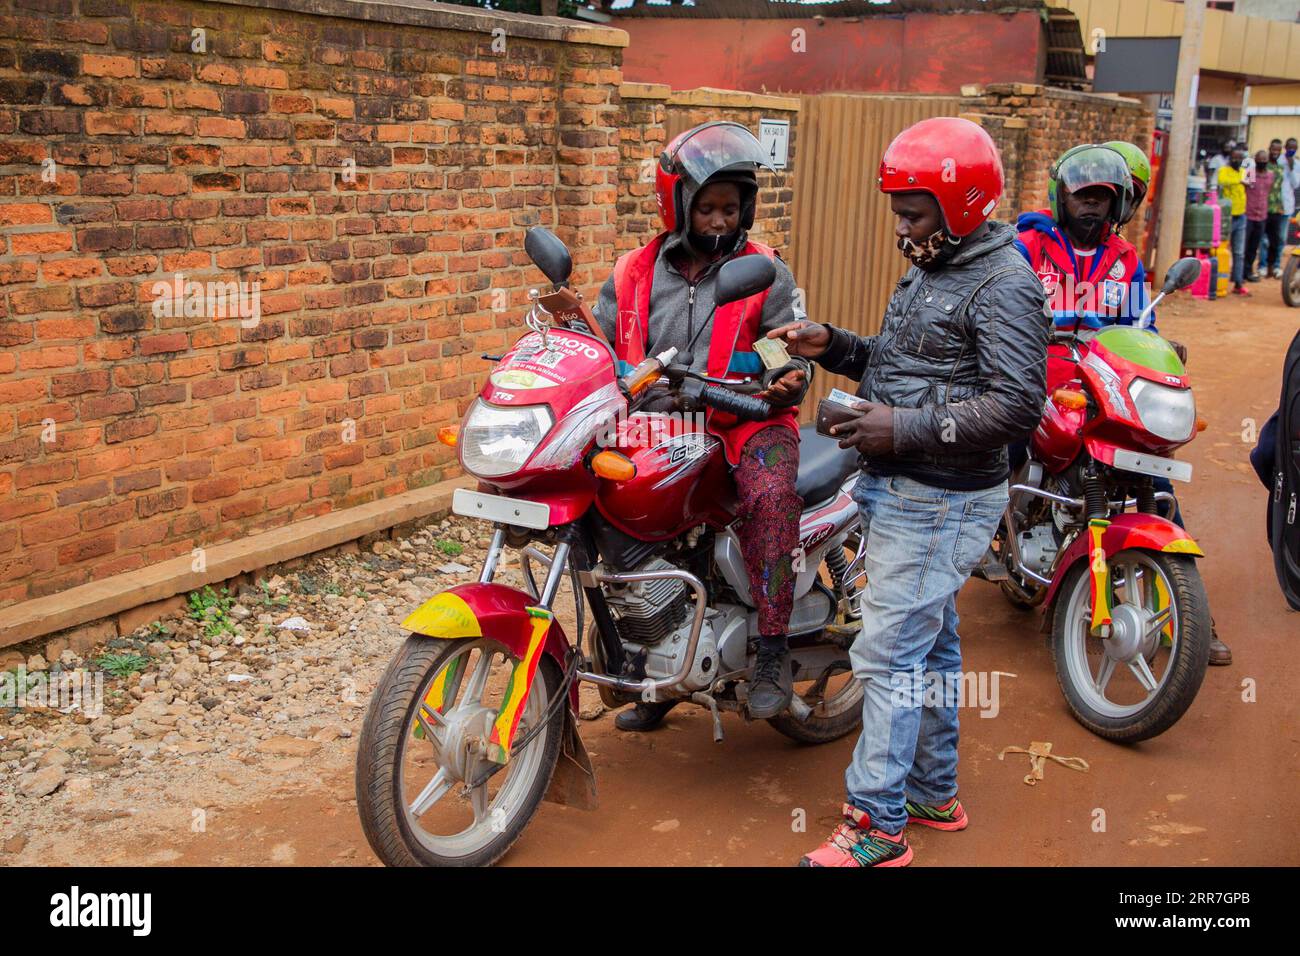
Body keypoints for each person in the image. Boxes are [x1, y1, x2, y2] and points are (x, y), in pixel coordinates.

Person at [770, 117, 1049, 867]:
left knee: (889, 656)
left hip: (942, 496)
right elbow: (906, 368)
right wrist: (836, 345)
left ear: (961, 206)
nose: (900, 228)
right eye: (898, 211)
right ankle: (930, 792)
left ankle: (877, 825)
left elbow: (1018, 405)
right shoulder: (933, 265)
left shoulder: (1004, 283)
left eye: (913, 213)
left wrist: (903, 430)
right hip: (911, 487)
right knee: (932, 645)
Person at [591, 121, 813, 730]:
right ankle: (650, 657)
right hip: (654, 422)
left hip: (746, 422)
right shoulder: (632, 272)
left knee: (768, 497)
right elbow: (595, 342)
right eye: (708, 207)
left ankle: (772, 651)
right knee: (604, 498)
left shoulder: (765, 269)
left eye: (731, 208)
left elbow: (787, 350)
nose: (720, 220)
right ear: (679, 205)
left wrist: (786, 375)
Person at [1015, 144, 1149, 329]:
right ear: (1061, 197)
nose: (1091, 201)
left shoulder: (1128, 260)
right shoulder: (1026, 247)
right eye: (1080, 193)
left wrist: (1156, 346)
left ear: (1115, 203)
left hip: (1098, 357)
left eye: (1102, 194)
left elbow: (1140, 327)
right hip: (1036, 356)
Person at [1216, 145, 1251, 296]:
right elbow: (1223, 181)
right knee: (1221, 249)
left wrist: (1240, 180)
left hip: (1241, 215)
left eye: (1239, 158)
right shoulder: (1224, 170)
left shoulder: (1245, 171)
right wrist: (1239, 180)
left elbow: (1250, 183)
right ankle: (1217, 283)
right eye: (1233, 158)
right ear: (1229, 158)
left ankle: (1238, 283)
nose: (1236, 160)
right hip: (1226, 217)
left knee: (1239, 252)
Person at [1255, 139, 1289, 279]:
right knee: (1263, 240)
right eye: (1273, 149)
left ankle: (1273, 266)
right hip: (1263, 208)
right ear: (1269, 149)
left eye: (1278, 150)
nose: (1275, 152)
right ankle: (1262, 266)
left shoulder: (1281, 168)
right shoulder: (1262, 167)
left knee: (1277, 240)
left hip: (1277, 209)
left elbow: (1279, 189)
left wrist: (1281, 206)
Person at [1244, 149, 1277, 283]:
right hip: (1248, 214)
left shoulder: (1270, 175)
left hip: (1262, 215)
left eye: (1264, 161)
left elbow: (1268, 192)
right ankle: (1240, 272)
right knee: (1244, 246)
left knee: (1254, 246)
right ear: (1255, 161)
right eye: (1259, 161)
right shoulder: (1251, 173)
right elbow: (1245, 189)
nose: (1262, 163)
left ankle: (1249, 271)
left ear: (1267, 161)